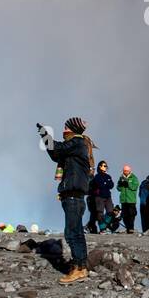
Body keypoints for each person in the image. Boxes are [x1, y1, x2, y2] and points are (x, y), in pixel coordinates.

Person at [40, 117, 94, 284]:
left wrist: (45, 135)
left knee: (72, 233)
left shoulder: (76, 143)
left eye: (65, 127)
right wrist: (46, 138)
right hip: (72, 196)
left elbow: (57, 148)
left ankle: (78, 268)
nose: (63, 129)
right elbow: (56, 154)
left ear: (71, 129)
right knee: (76, 232)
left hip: (73, 195)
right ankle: (80, 267)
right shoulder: (76, 146)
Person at [88, 160, 114, 233]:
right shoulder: (97, 176)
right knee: (100, 213)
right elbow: (100, 184)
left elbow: (111, 185)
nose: (106, 167)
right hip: (99, 197)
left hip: (108, 196)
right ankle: (102, 229)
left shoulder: (108, 176)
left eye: (106, 166)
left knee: (110, 212)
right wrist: (106, 184)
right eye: (104, 166)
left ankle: (105, 226)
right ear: (100, 167)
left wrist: (105, 183)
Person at [117, 165, 140, 234]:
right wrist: (120, 185)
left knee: (131, 214)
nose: (125, 172)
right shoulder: (121, 178)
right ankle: (128, 227)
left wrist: (128, 184)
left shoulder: (134, 178)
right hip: (123, 200)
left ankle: (131, 228)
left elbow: (135, 187)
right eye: (124, 171)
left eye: (127, 171)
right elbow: (118, 188)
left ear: (130, 171)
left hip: (131, 200)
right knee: (124, 215)